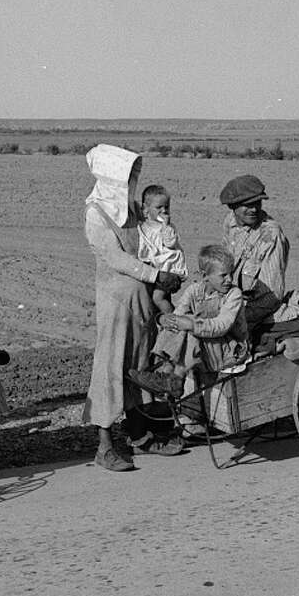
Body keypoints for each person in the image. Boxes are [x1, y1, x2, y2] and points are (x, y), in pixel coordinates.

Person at [81, 145, 185, 471]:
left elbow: (151, 241)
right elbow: (116, 258)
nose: (132, 181)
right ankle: (104, 445)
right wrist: (157, 275)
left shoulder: (128, 209)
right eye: (128, 175)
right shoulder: (97, 214)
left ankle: (140, 435)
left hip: (141, 301)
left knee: (139, 365)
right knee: (111, 368)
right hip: (115, 303)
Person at [132, 244, 248, 439]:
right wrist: (166, 319)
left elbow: (222, 326)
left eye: (230, 274)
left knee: (191, 328)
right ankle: (166, 374)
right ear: (204, 275)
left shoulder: (233, 295)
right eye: (223, 276)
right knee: (181, 323)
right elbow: (179, 313)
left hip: (230, 348)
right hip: (207, 347)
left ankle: (173, 378)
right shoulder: (195, 290)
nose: (229, 280)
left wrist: (191, 324)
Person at [220, 174, 291, 340]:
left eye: (257, 203)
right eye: (247, 204)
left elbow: (271, 297)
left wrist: (234, 319)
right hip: (230, 304)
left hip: (253, 313)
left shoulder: (271, 234)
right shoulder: (230, 222)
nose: (254, 209)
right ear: (233, 206)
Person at [136, 184, 187, 314]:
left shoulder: (168, 228)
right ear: (146, 210)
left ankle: (174, 320)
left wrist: (166, 225)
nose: (164, 210)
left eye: (167, 207)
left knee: (158, 298)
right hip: (154, 270)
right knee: (149, 301)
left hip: (169, 270)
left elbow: (170, 243)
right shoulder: (143, 228)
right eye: (159, 207)